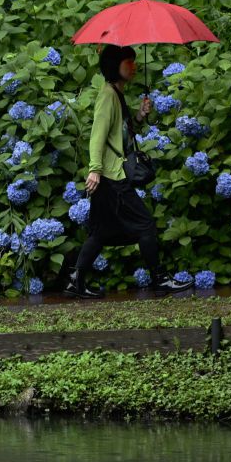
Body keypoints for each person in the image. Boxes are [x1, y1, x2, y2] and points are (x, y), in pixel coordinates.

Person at [66, 44, 192, 298]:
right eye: (128, 62)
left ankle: (75, 281)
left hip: (109, 176)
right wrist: (94, 169)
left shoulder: (116, 93)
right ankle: (159, 279)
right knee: (145, 225)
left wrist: (139, 116)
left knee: (100, 232)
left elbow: (119, 134)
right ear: (115, 66)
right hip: (112, 177)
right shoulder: (107, 96)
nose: (133, 67)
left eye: (134, 62)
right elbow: (98, 135)